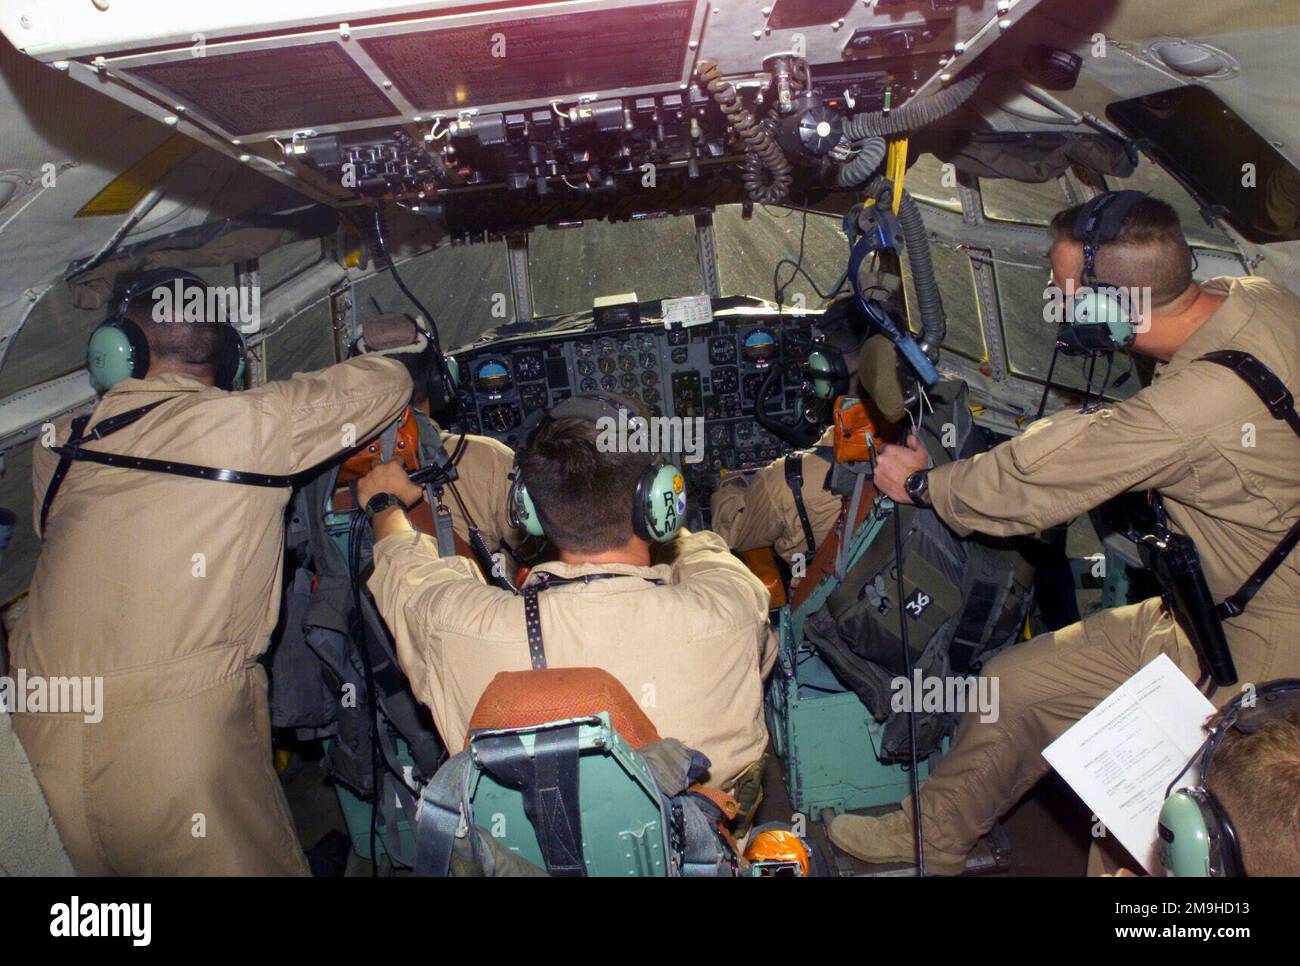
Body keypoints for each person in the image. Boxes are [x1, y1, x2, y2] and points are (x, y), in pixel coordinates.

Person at [830, 193, 1300, 874]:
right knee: (1016, 684)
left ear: (1115, 303)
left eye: (1064, 286)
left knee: (1149, 830)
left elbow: (1034, 485)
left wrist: (927, 484)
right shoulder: (1254, 296)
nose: (1052, 297)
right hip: (1200, 610)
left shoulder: (1191, 408)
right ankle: (931, 837)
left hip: (1267, 639)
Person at [9, 269, 413, 875]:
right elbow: (388, 381)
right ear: (230, 365)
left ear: (116, 351)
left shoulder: (59, 445)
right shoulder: (248, 425)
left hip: (34, 732)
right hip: (174, 743)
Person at [359, 391, 777, 793]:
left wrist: (384, 503)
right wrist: (665, 525)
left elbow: (406, 575)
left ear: (529, 510)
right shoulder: (732, 605)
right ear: (658, 498)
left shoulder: (456, 628)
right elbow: (706, 556)